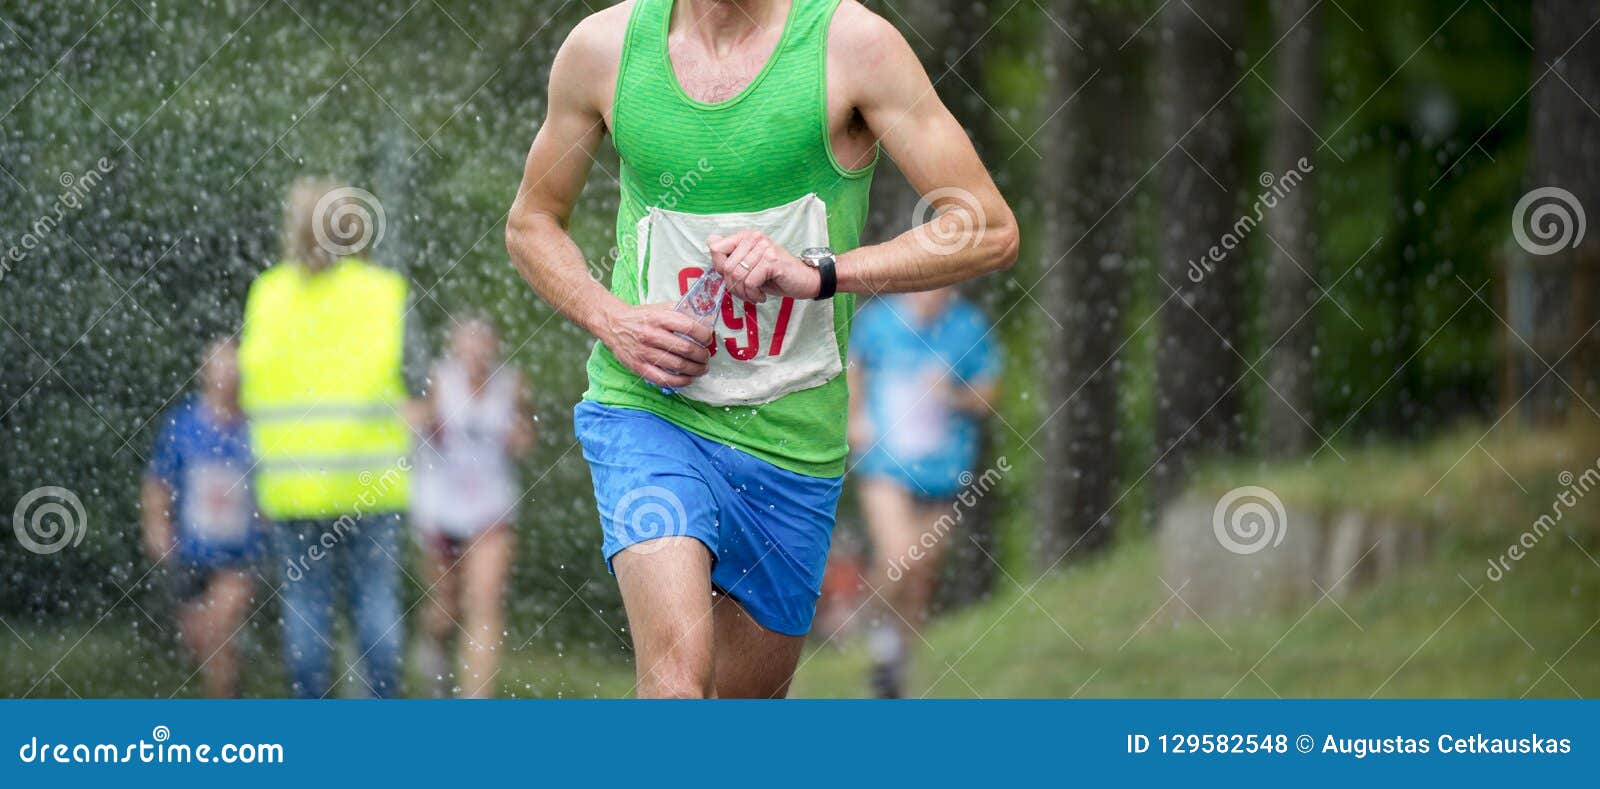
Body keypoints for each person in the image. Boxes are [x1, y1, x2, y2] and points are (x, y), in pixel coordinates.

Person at [506, 0, 1017, 698]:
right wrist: (614, 319)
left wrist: (822, 272)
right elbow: (533, 221)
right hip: (652, 412)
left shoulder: (851, 45)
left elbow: (984, 225)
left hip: (790, 443)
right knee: (677, 681)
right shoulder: (603, 48)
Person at [239, 177, 425, 699]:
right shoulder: (382, 292)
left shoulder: (269, 294)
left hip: (294, 486)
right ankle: (383, 719)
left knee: (306, 608)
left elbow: (250, 383)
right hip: (371, 483)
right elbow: (416, 379)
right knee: (376, 604)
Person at [847, 286, 1000, 698]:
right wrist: (856, 416)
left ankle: (897, 667)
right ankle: (879, 638)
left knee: (922, 572)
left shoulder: (968, 326)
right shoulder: (879, 320)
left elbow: (988, 395)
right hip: (885, 462)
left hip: (945, 468)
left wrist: (950, 393)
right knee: (899, 554)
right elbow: (853, 367)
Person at [412, 319, 535, 698]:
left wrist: (520, 435)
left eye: (483, 342)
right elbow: (414, 420)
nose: (476, 351)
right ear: (456, 346)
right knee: (445, 608)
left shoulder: (511, 384)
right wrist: (418, 420)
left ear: (493, 346)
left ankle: (475, 700)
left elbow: (526, 437)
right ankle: (434, 650)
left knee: (483, 603)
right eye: (469, 342)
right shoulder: (440, 380)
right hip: (441, 507)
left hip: (491, 508)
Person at [141, 338, 262, 698]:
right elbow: (158, 481)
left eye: (233, 368)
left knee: (219, 627)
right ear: (205, 374)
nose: (227, 377)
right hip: (192, 552)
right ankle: (232, 688)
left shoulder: (256, 427)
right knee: (200, 641)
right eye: (219, 368)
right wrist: (156, 527)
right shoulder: (182, 424)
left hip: (242, 553)